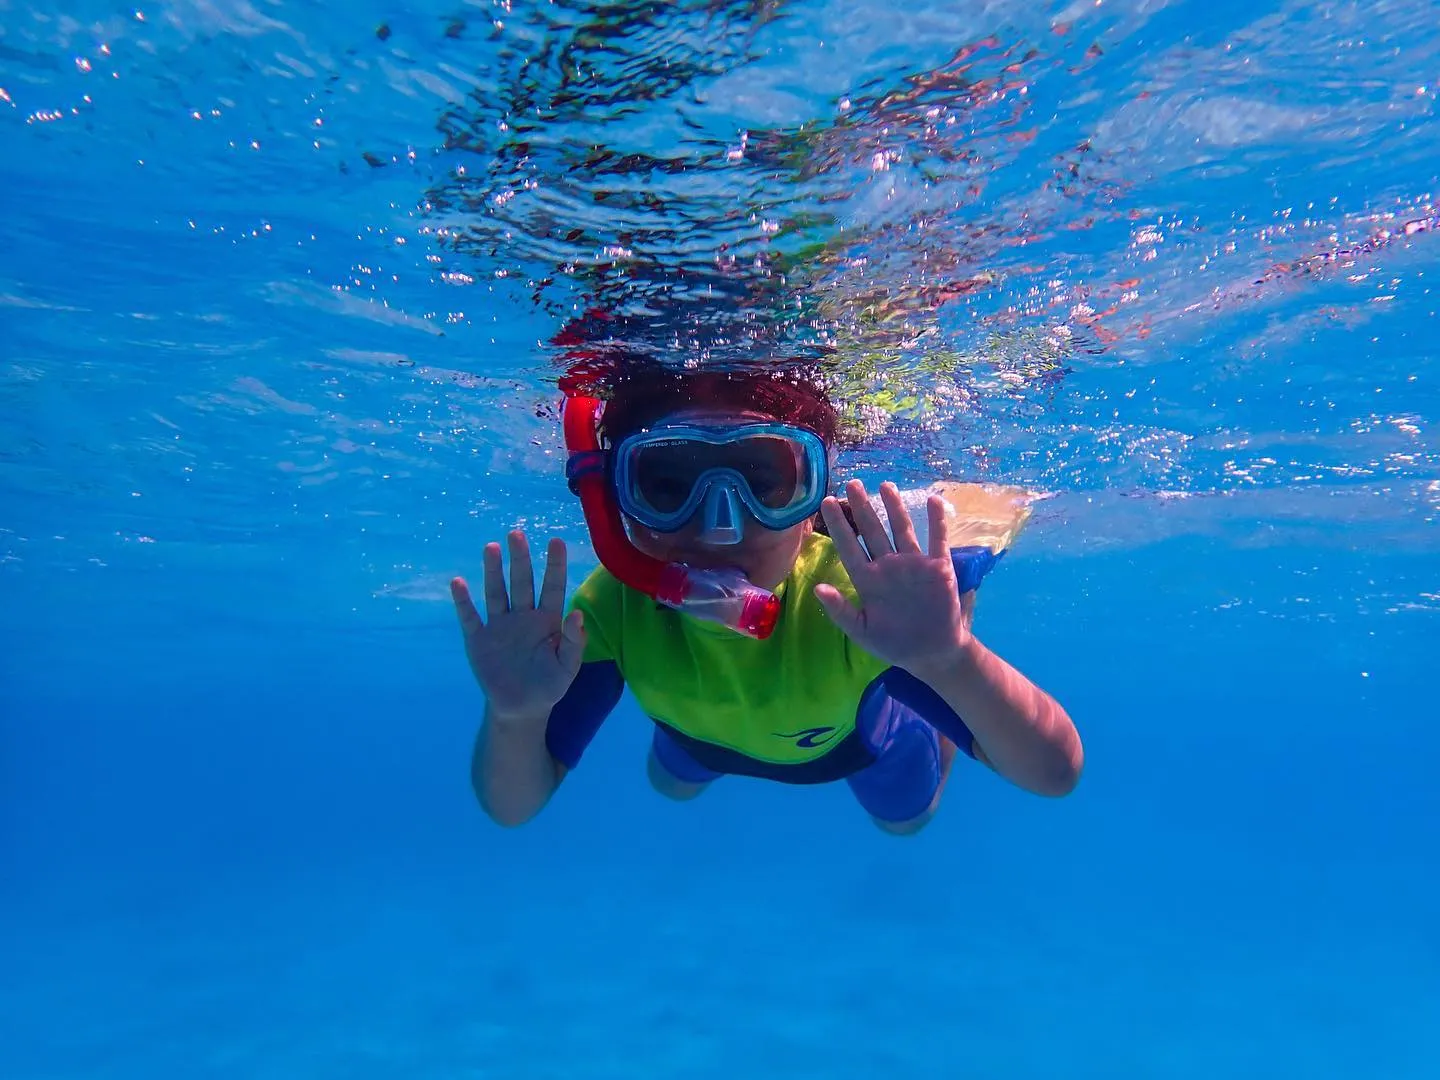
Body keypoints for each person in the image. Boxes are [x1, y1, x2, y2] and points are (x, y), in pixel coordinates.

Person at [451, 364, 1082, 835]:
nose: (720, 526)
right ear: (618, 506)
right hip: (699, 739)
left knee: (906, 823)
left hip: (853, 747)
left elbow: (1055, 775)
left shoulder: (860, 606)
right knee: (668, 786)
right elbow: (513, 808)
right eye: (667, 484)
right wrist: (514, 715)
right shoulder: (608, 611)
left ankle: (954, 610)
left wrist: (948, 659)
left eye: (765, 481)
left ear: (813, 508)